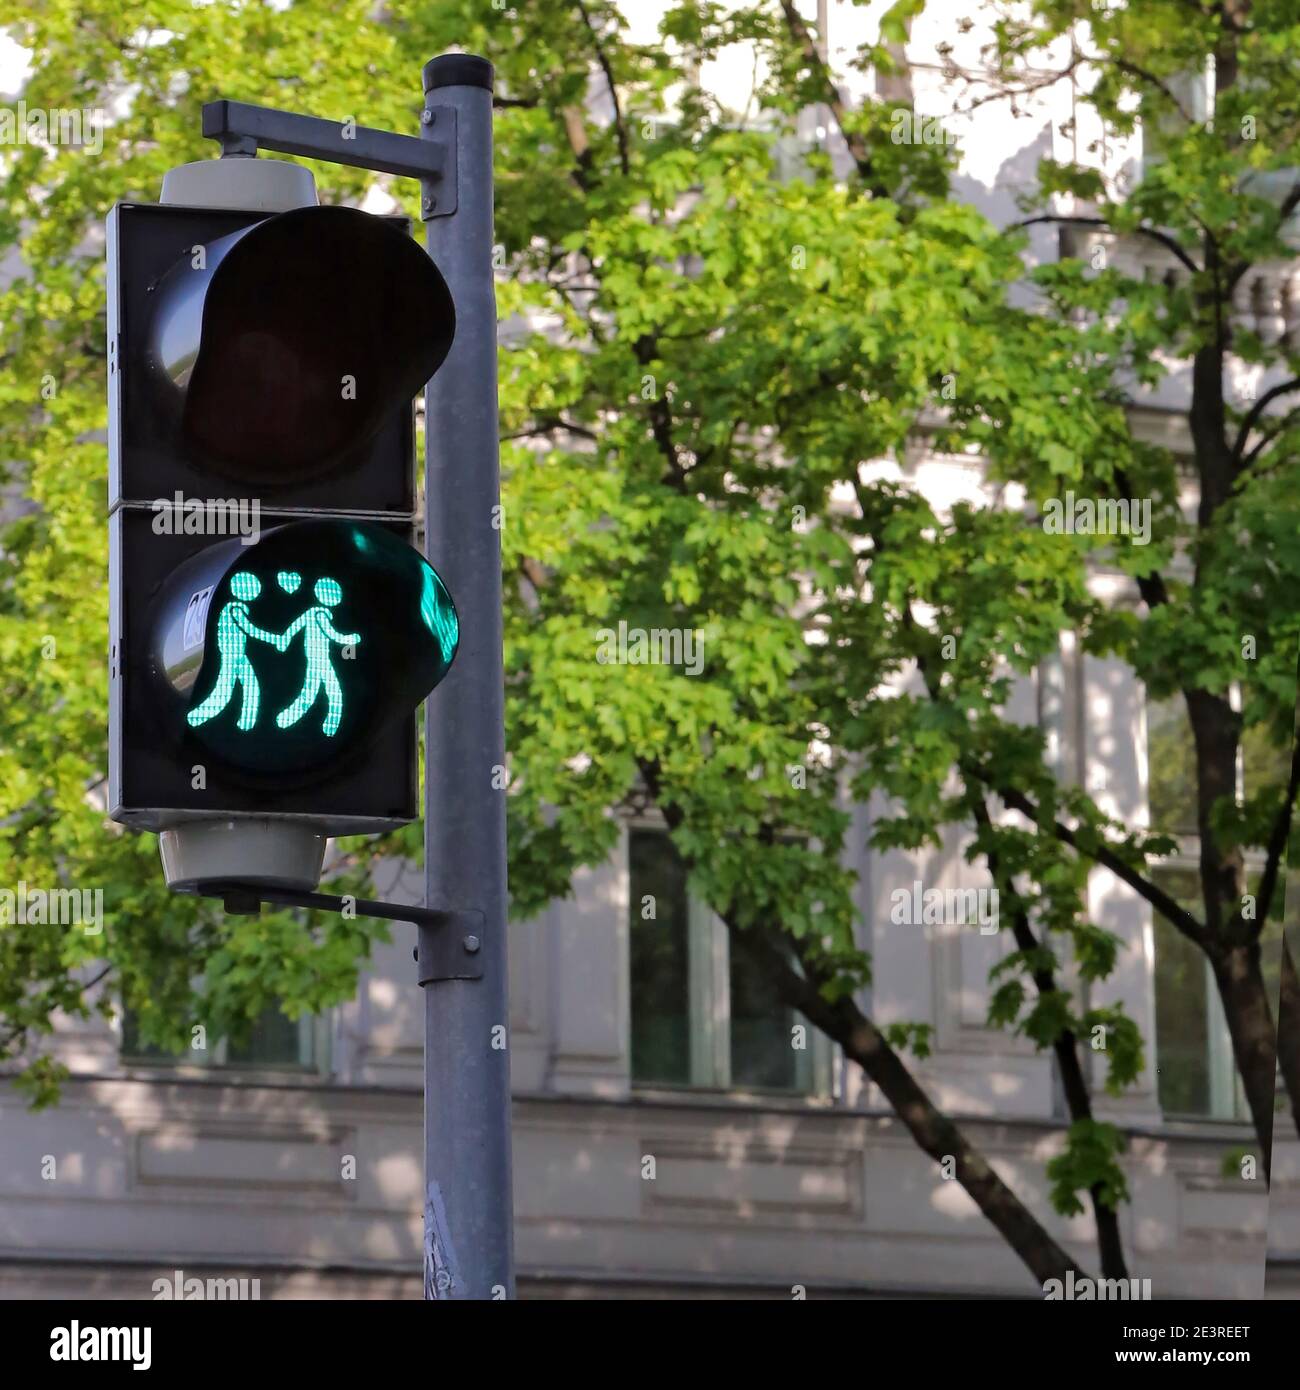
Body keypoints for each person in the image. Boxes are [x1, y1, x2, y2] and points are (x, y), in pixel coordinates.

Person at [187, 572, 285, 732]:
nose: (256, 591)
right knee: (223, 693)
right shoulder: (235, 608)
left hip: (239, 655)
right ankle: (195, 718)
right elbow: (250, 629)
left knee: (251, 687)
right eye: (252, 587)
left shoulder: (237, 607)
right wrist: (274, 639)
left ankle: (246, 723)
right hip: (232, 656)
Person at [275, 577, 360, 737]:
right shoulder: (320, 613)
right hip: (319, 660)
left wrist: (285, 639)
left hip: (318, 659)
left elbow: (294, 626)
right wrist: (349, 639)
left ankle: (287, 719)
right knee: (332, 692)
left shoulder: (313, 612)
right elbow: (332, 633)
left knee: (314, 692)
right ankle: (328, 725)